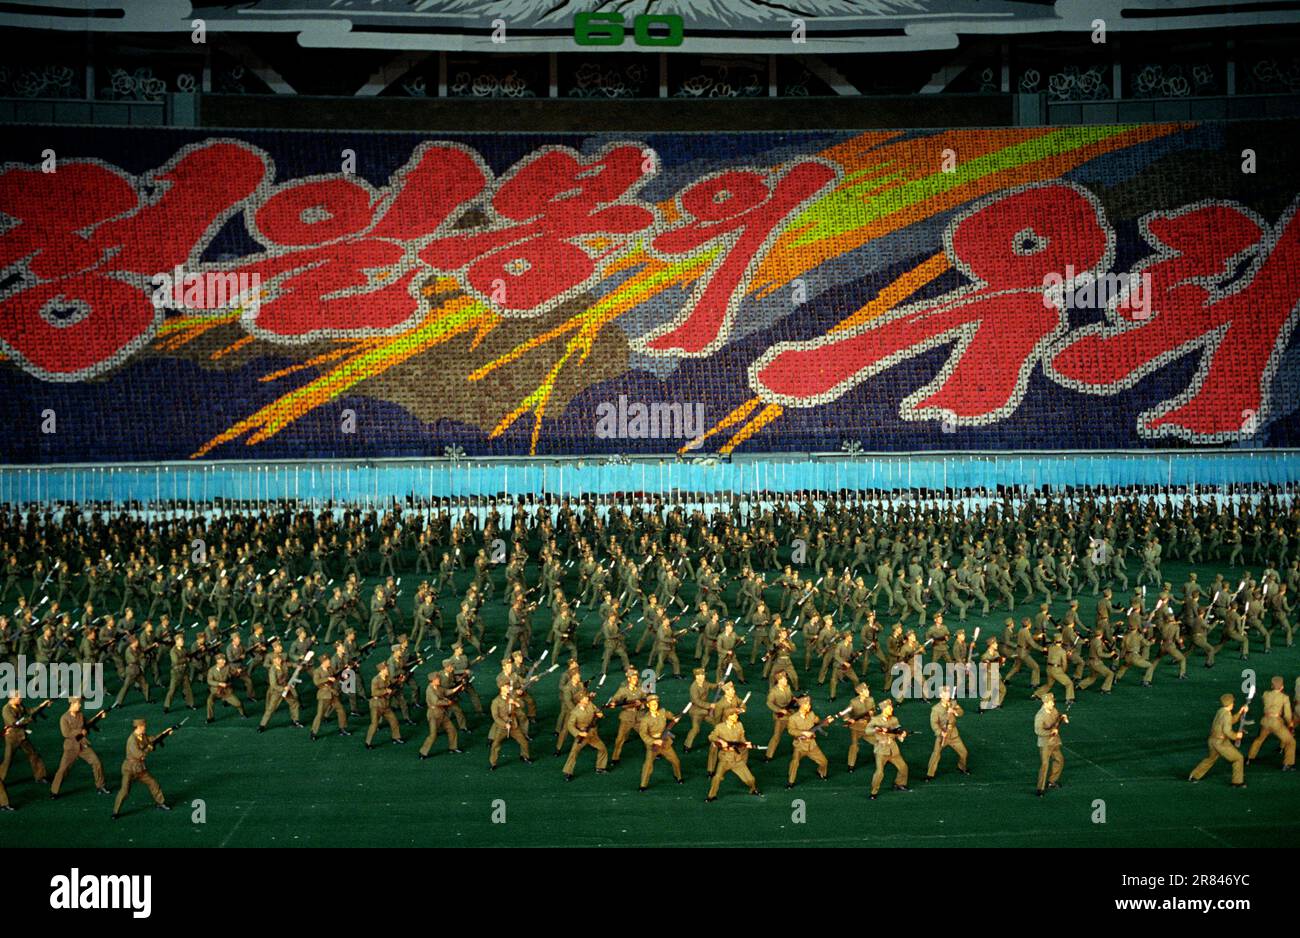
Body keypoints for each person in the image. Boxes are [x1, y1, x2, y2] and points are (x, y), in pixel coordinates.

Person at [50, 697, 108, 798]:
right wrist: (79, 732)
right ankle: (54, 791)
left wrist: (98, 717)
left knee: (96, 762)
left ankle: (100, 786)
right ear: (72, 704)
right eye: (78, 704)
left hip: (82, 745)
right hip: (71, 747)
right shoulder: (64, 718)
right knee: (63, 769)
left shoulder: (80, 715)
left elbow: (87, 724)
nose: (80, 705)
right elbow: (66, 733)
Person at [111, 719, 170, 818]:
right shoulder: (132, 740)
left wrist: (165, 733)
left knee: (153, 783)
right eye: (143, 726)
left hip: (140, 768)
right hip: (129, 769)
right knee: (124, 791)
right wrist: (149, 748)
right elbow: (140, 755)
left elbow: (152, 739)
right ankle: (115, 812)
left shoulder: (142, 736)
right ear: (138, 727)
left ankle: (160, 803)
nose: (145, 727)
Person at [1189, 693, 1248, 787]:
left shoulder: (1221, 711)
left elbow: (1230, 721)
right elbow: (1227, 731)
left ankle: (1194, 776)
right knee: (1238, 758)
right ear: (1231, 703)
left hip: (1212, 740)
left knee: (1211, 758)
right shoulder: (1227, 714)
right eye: (1233, 702)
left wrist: (1240, 712)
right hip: (1221, 742)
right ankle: (1237, 782)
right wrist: (1237, 736)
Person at [705, 708, 760, 802]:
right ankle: (711, 796)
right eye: (734, 715)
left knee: (750, 779)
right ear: (728, 717)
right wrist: (721, 741)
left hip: (737, 758)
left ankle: (753, 789)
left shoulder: (739, 725)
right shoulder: (720, 727)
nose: (736, 716)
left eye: (736, 714)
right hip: (725, 758)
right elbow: (711, 736)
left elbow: (742, 739)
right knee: (717, 778)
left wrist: (746, 744)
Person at [1245, 676, 1295, 771]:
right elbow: (1287, 715)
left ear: (1272, 686)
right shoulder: (1285, 697)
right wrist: (1290, 724)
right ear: (1282, 687)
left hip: (1265, 721)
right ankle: (1287, 764)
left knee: (1259, 739)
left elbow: (1264, 698)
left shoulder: (1266, 694)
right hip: (1276, 723)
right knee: (1291, 742)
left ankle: (1249, 758)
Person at [867, 698, 909, 799]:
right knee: (879, 772)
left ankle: (899, 784)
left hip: (893, 749)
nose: (891, 709)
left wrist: (901, 735)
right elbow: (868, 730)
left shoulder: (894, 719)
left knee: (903, 768)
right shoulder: (876, 720)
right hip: (881, 749)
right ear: (884, 709)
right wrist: (876, 729)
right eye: (889, 708)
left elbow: (897, 731)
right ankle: (874, 792)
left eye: (891, 707)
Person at [925, 686, 969, 780]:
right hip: (943, 735)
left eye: (949, 693)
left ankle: (961, 767)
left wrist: (954, 711)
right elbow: (934, 723)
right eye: (946, 693)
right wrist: (940, 732)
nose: (949, 695)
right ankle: (930, 774)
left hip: (953, 734)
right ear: (941, 695)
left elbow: (961, 712)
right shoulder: (936, 709)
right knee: (936, 754)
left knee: (964, 752)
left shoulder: (953, 703)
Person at [1033, 692, 1067, 796]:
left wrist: (1062, 717)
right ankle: (1040, 789)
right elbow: (1038, 731)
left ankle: (1052, 781)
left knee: (1059, 760)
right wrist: (1051, 732)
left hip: (1054, 741)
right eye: (1051, 702)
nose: (1053, 704)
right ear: (1045, 703)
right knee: (1045, 765)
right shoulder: (1040, 716)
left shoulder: (1054, 710)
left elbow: (1056, 720)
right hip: (1045, 744)